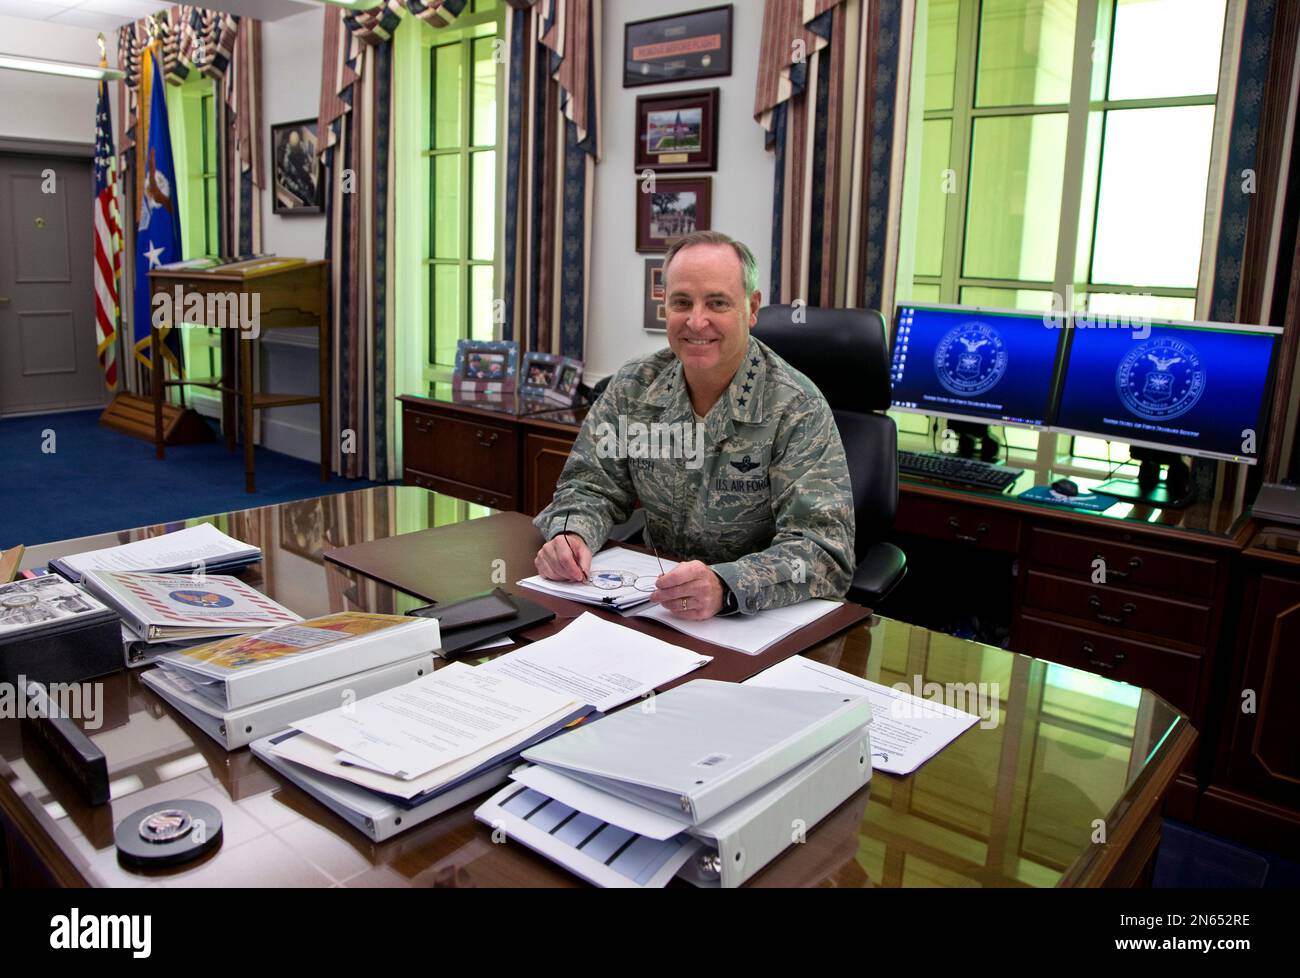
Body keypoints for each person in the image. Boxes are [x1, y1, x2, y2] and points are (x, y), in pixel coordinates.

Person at [532, 230, 855, 619]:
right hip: (652, 606)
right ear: (664, 306)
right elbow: (589, 485)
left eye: (717, 303)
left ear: (751, 309)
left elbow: (823, 550)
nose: (696, 321)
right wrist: (572, 534)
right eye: (682, 302)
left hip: (756, 621)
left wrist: (727, 585)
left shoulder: (796, 407)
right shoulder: (635, 386)